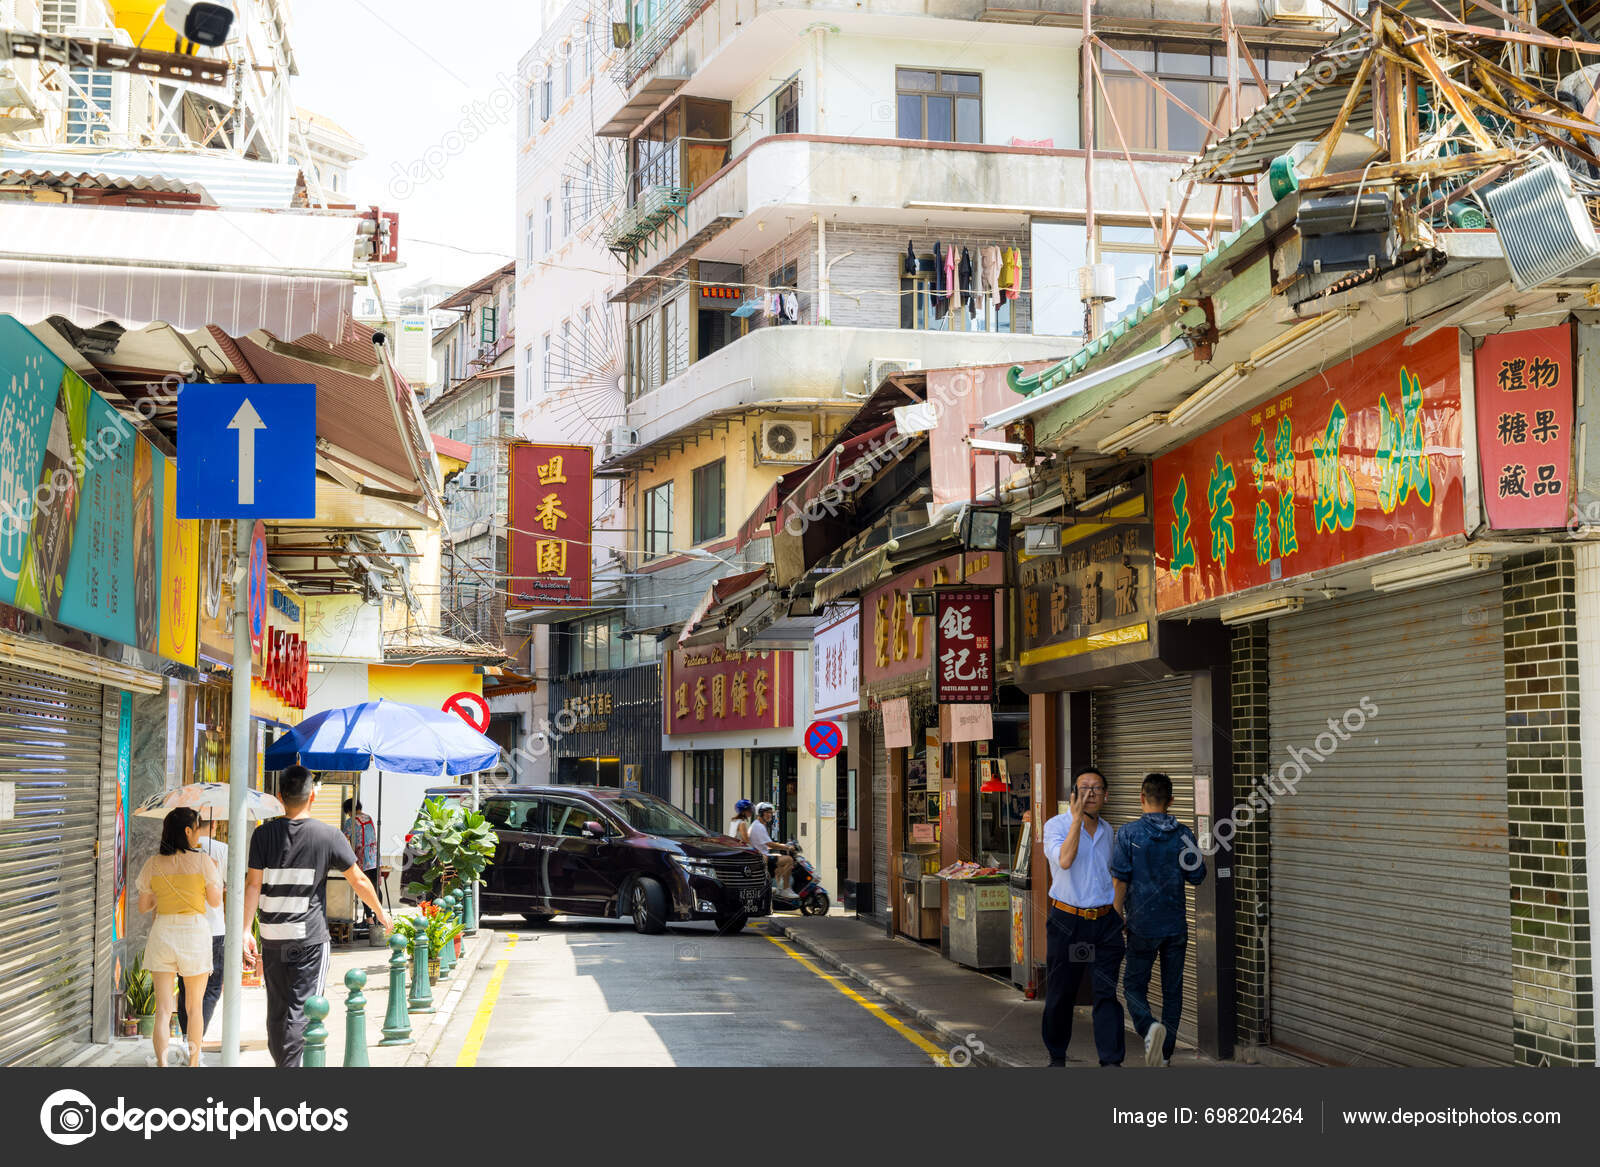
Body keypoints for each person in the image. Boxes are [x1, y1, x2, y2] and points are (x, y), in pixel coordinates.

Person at [243, 766, 391, 1067]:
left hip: (272, 937)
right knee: (303, 1008)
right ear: (312, 795)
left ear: (280, 797)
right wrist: (379, 912)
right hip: (308, 938)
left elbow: (253, 884)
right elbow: (359, 880)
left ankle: (284, 1064)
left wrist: (247, 929)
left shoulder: (262, 834)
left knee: (277, 1009)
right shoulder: (329, 835)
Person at [1111, 772, 1206, 1067]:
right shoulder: (1184, 834)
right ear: (1171, 801)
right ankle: (1165, 1056)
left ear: (1141, 798)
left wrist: (1116, 916)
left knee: (1133, 986)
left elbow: (1120, 881)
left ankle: (1149, 1028)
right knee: (1173, 990)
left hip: (1141, 926)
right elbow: (1197, 876)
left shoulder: (1128, 834)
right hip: (1175, 926)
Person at [1040, 766, 1125, 1067]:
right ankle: (1057, 1055)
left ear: (1106, 796)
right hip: (1067, 921)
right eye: (1083, 788)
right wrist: (1076, 821)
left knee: (1106, 992)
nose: (1090, 793)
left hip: (1104, 922)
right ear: (1073, 794)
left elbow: (1112, 875)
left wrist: (1116, 913)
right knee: (1063, 992)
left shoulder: (1108, 831)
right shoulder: (1055, 826)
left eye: (1097, 788)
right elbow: (1064, 860)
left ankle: (1111, 1061)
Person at [135, 807, 223, 1069]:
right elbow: (215, 901)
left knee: (162, 1009)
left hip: (163, 933)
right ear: (187, 831)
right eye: (198, 828)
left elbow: (144, 905)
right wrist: (213, 878)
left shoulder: (153, 863)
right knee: (194, 1007)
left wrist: (162, 895)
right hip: (194, 934)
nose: (199, 833)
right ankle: (193, 1064)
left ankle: (162, 1066)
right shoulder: (203, 861)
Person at [174, 816, 228, 1063]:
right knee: (212, 989)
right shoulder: (224, 851)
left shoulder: (177, 853)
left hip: (183, 927)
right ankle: (195, 1043)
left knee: (185, 988)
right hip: (214, 928)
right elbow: (227, 889)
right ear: (214, 824)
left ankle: (187, 1040)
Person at [342, 797, 382, 923]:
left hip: (362, 858)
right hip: (374, 856)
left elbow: (342, 839)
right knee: (375, 888)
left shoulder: (350, 822)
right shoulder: (368, 818)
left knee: (364, 887)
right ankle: (380, 917)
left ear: (349, 810)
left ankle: (369, 919)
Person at [748, 801, 795, 893]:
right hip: (761, 858)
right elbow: (770, 844)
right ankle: (786, 889)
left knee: (778, 861)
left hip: (760, 856)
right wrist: (786, 847)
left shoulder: (757, 824)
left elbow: (764, 844)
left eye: (770, 813)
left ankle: (777, 886)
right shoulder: (759, 826)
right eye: (767, 812)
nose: (769, 815)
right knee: (789, 860)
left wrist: (781, 846)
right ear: (761, 813)